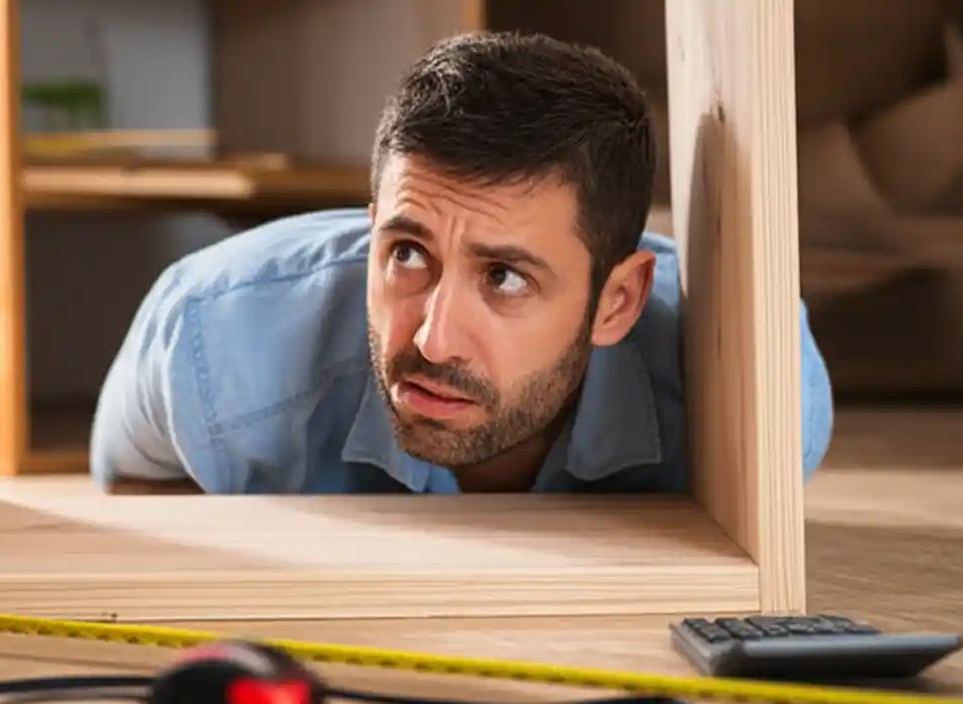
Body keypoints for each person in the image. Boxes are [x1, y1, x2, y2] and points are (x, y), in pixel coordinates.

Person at [89, 31, 834, 495]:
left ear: (617, 303)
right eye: (408, 254)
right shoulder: (212, 337)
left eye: (505, 277)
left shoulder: (757, 408)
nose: (433, 340)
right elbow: (132, 491)